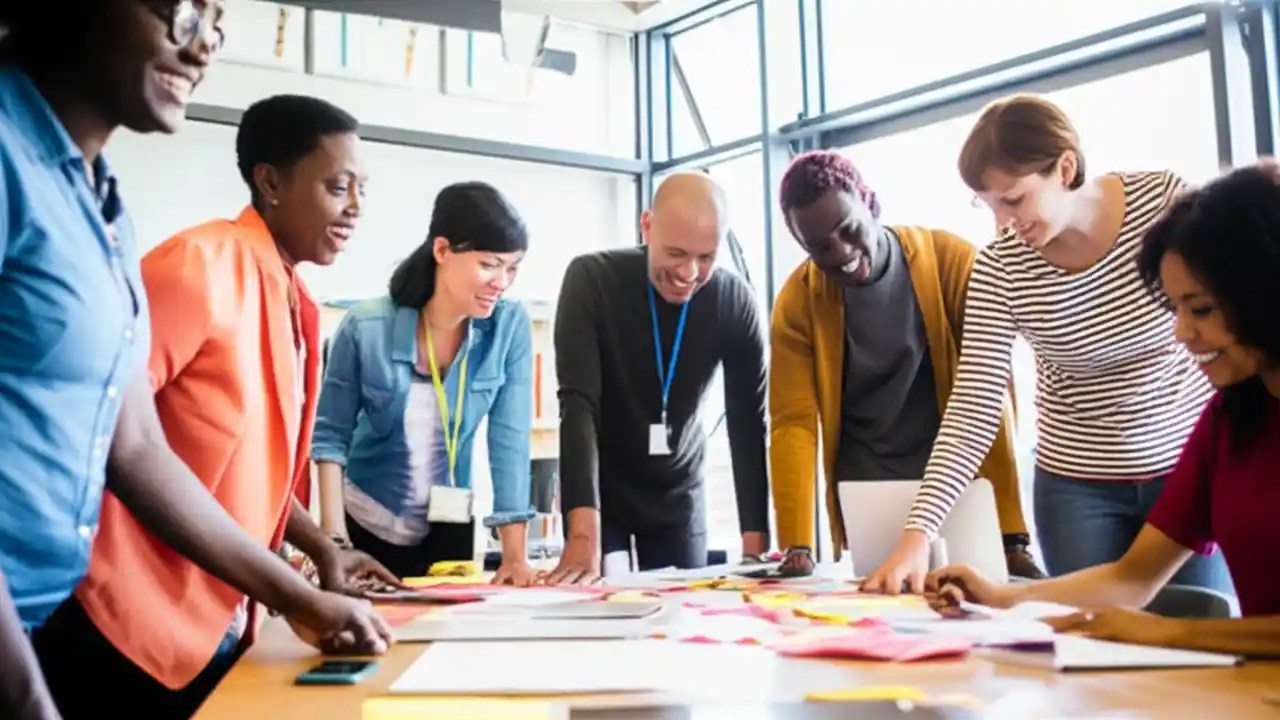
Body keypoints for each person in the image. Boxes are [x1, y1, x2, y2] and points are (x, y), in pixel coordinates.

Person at [0, 5, 389, 720]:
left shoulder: (101, 206)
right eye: (181, 9)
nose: (204, 40)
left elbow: (137, 445)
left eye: (216, 18)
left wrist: (297, 588)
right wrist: (25, 693)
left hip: (77, 623)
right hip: (100, 627)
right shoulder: (199, 263)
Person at [863, 94, 1232, 596]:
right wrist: (918, 534)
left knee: (1201, 635)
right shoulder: (1000, 268)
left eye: (1012, 199)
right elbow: (974, 405)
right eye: (988, 205)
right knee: (1083, 648)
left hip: (1187, 468)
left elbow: (1235, 315)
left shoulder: (1163, 205)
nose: (1002, 223)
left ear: (1064, 167)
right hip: (1077, 490)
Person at [926, 162, 1280, 657]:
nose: (1181, 332)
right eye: (1175, 309)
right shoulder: (1228, 423)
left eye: (1200, 309)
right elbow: (1129, 579)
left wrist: (1172, 633)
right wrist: (1001, 596)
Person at [769, 150, 1042, 579]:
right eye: (819, 246)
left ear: (869, 202)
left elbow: (990, 393)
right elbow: (793, 423)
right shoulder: (797, 301)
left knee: (979, 605)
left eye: (847, 228)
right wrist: (797, 545)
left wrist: (1011, 535)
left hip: (957, 479)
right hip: (870, 495)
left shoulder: (950, 260)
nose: (840, 252)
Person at [546, 171, 769, 583]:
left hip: (678, 494)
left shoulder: (733, 301)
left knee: (678, 625)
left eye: (706, 258)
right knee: (600, 614)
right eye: (676, 253)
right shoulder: (592, 281)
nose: (688, 273)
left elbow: (747, 424)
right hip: (600, 494)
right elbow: (578, 407)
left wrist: (756, 554)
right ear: (646, 225)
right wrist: (581, 538)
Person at [313, 181, 539, 586]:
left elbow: (510, 442)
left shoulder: (508, 327)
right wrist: (334, 543)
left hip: (448, 526)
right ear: (442, 251)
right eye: (489, 264)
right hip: (366, 524)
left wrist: (515, 557)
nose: (501, 282)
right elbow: (330, 439)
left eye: (512, 267)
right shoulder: (366, 327)